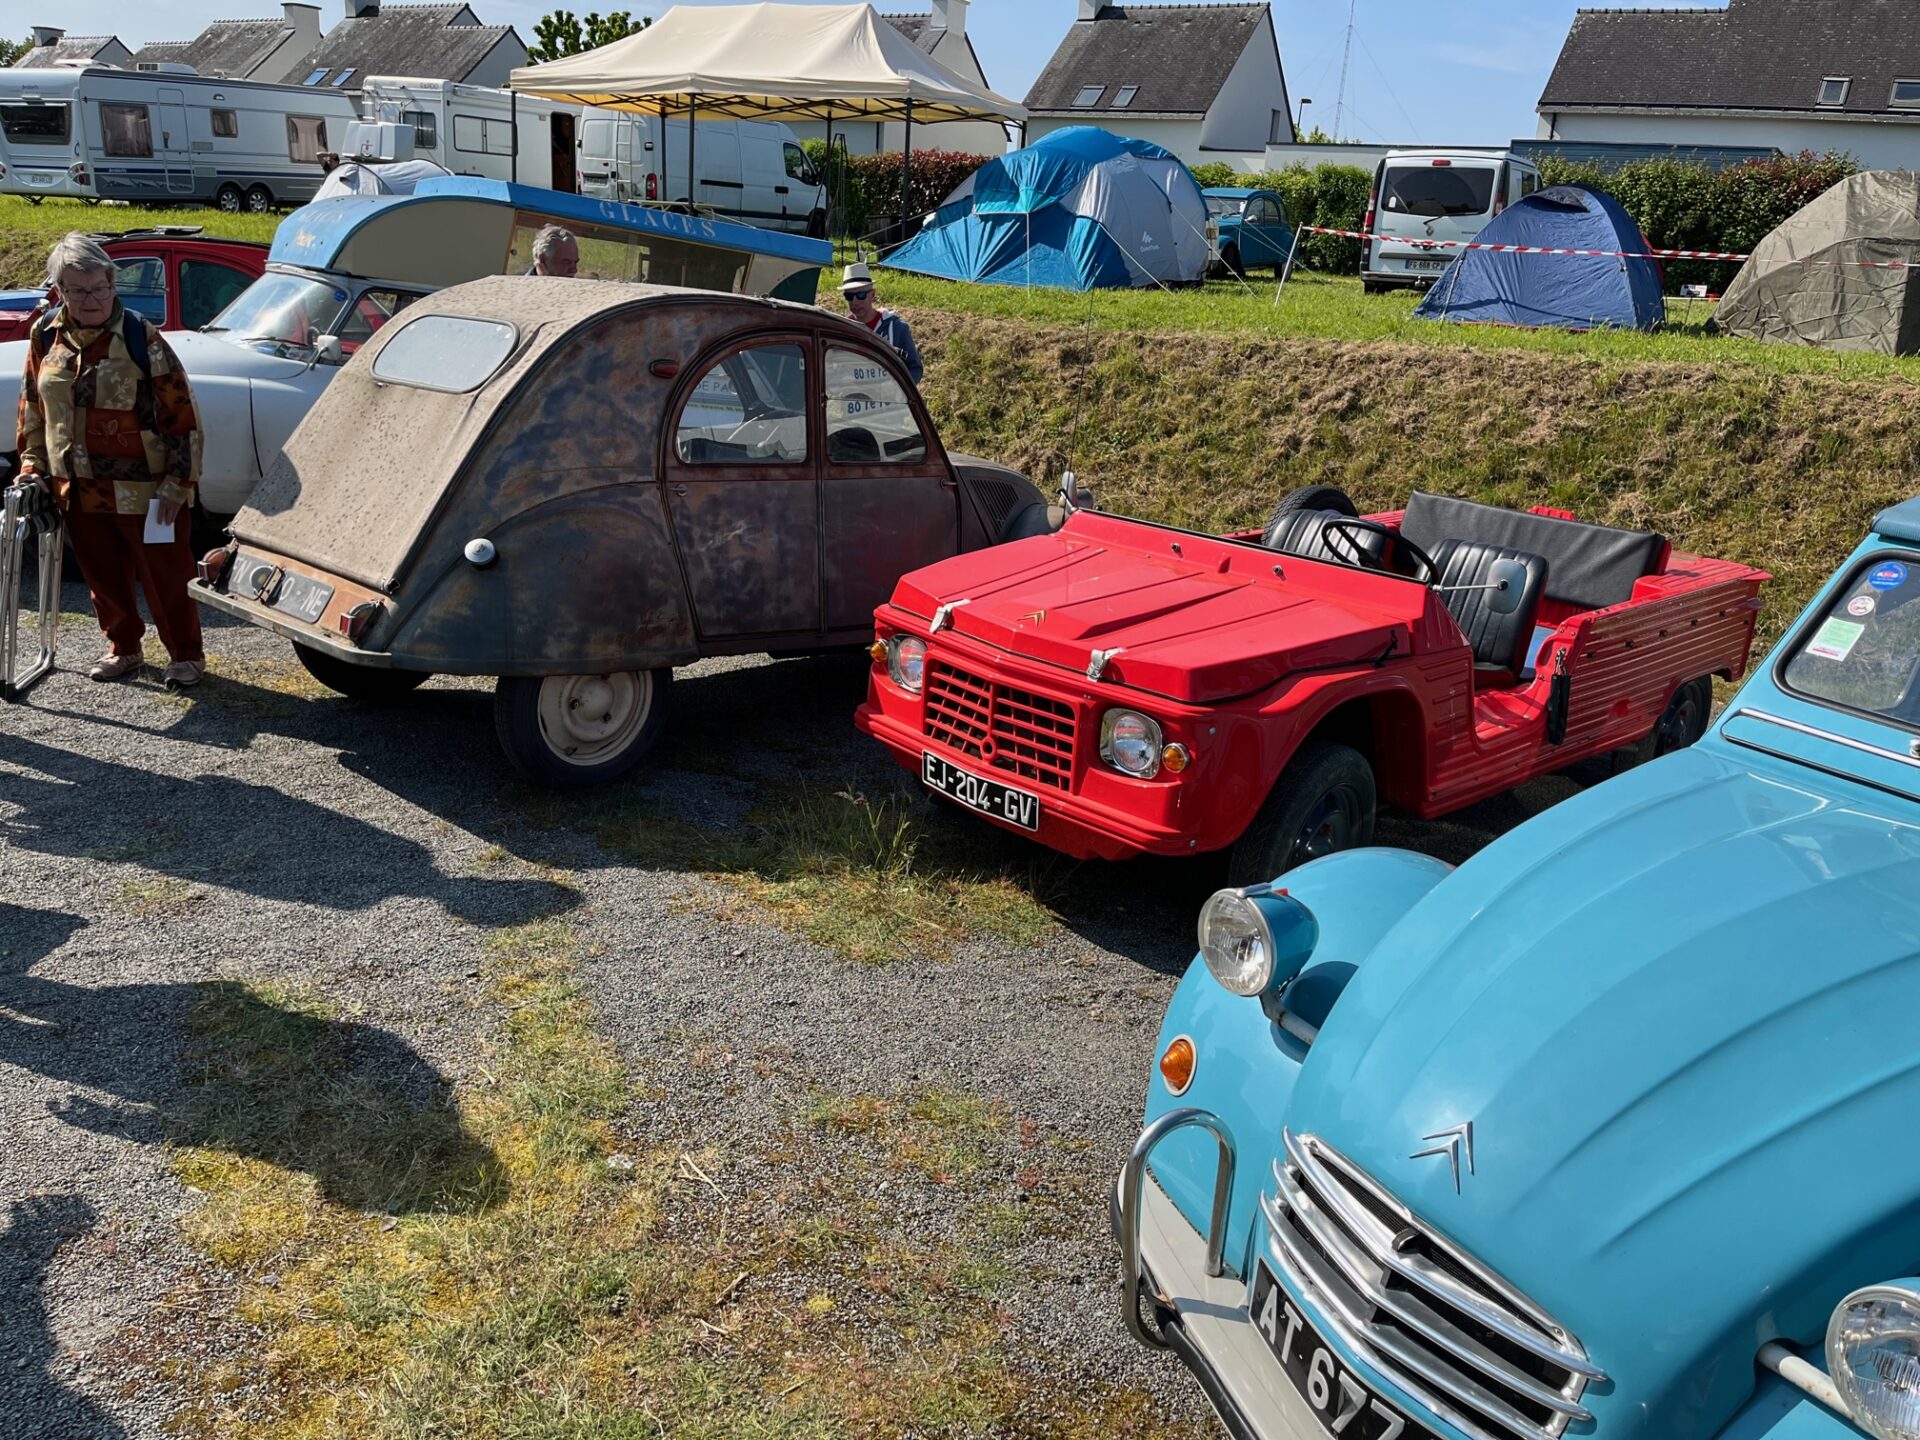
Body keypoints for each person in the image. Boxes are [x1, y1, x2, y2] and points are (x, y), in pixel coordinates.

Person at [15, 234, 206, 687]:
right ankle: (124, 650)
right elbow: (33, 407)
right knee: (102, 578)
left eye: (100, 288)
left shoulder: (141, 337)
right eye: (78, 290)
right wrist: (32, 464)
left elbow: (182, 416)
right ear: (59, 290)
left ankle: (186, 655)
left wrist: (179, 485)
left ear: (112, 284)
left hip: (150, 490)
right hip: (78, 486)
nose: (92, 299)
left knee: (166, 578)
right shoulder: (45, 335)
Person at [839, 262, 923, 385]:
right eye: (849, 296)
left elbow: (915, 369)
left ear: (873, 295)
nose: (855, 302)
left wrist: (898, 390)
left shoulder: (897, 328)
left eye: (860, 295)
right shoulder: (841, 330)